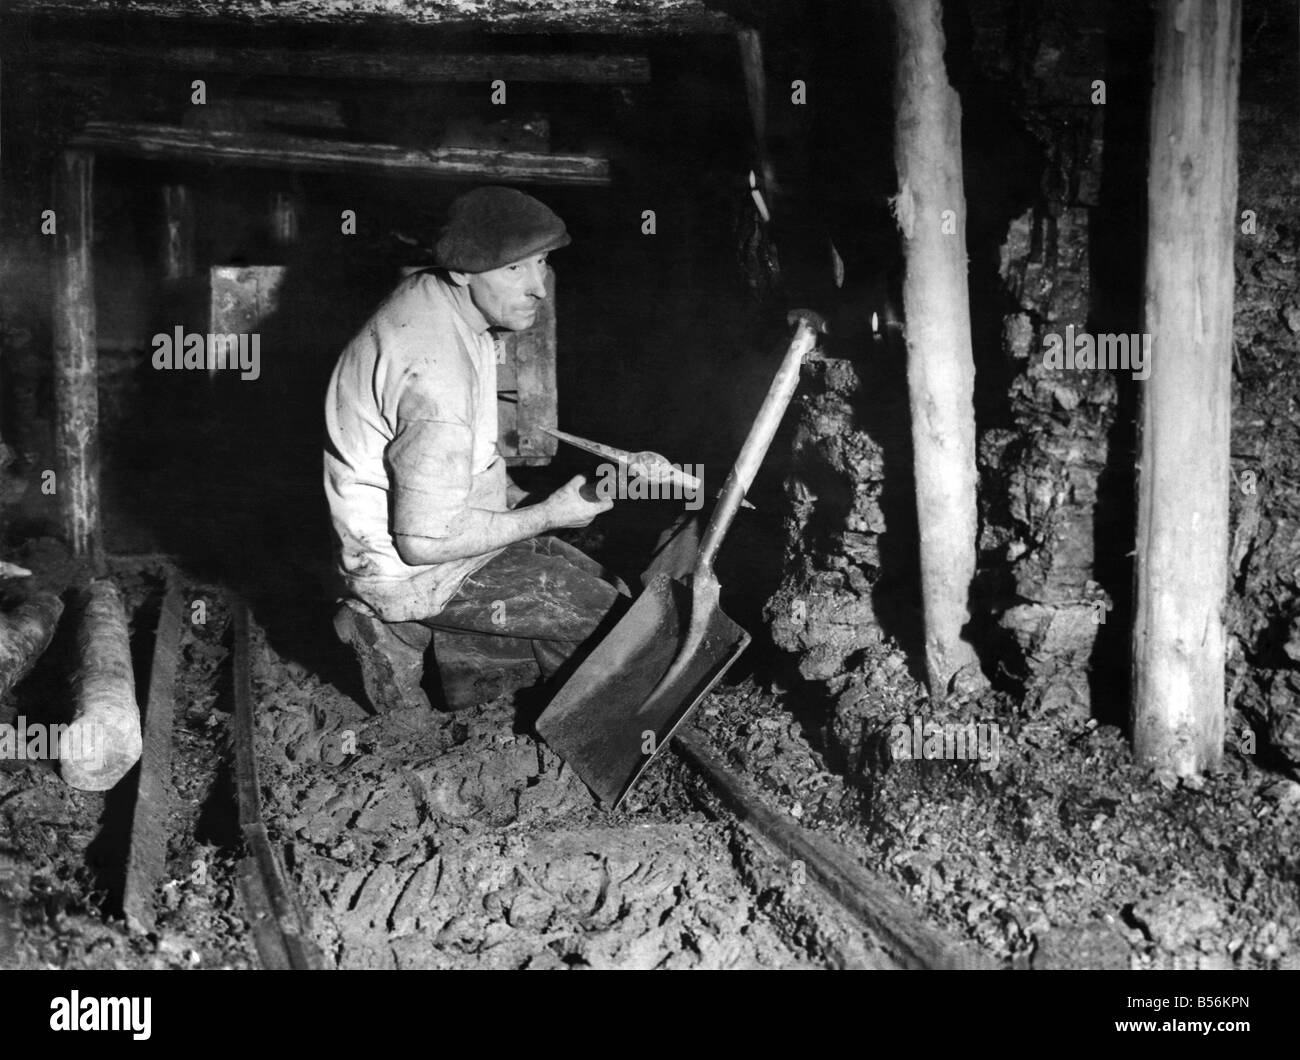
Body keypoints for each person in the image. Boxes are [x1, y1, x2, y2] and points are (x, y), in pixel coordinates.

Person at [324, 186, 626, 722]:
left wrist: (533, 504)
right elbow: (423, 542)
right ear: (463, 269)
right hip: (409, 567)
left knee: (597, 581)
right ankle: (401, 621)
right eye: (514, 270)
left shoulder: (439, 301)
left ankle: (459, 669)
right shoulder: (435, 376)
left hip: (439, 535)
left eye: (542, 263)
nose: (538, 288)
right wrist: (549, 515)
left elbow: (462, 464)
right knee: (602, 618)